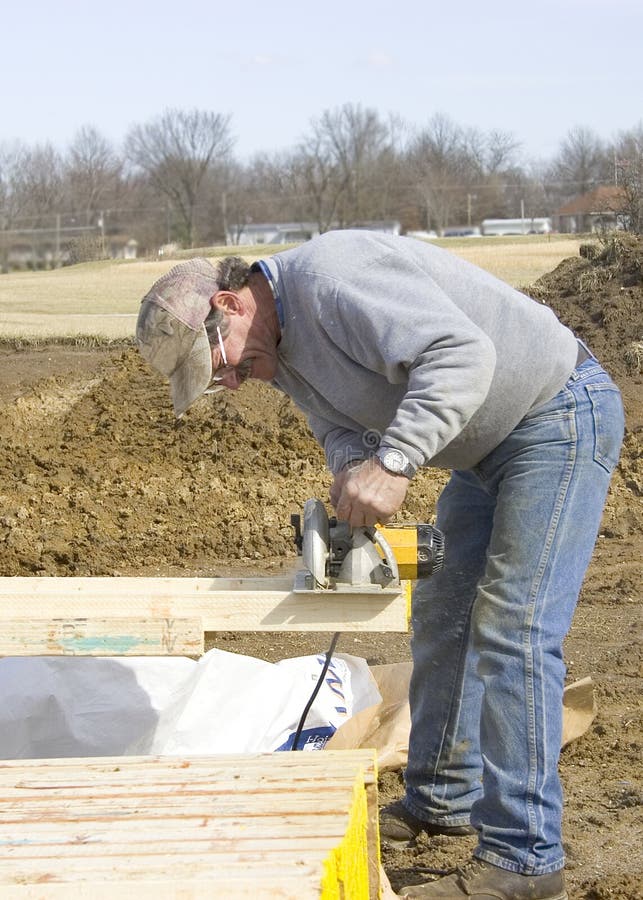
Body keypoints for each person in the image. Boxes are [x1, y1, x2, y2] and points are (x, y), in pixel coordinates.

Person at [136, 230, 624, 899]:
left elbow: (462, 355)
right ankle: (441, 798)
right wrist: (350, 478)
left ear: (230, 302)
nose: (225, 380)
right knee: (444, 614)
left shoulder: (333, 283)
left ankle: (524, 861)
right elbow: (337, 425)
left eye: (214, 362)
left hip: (555, 417)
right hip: (484, 452)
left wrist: (393, 462)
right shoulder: (279, 350)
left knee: (514, 632)